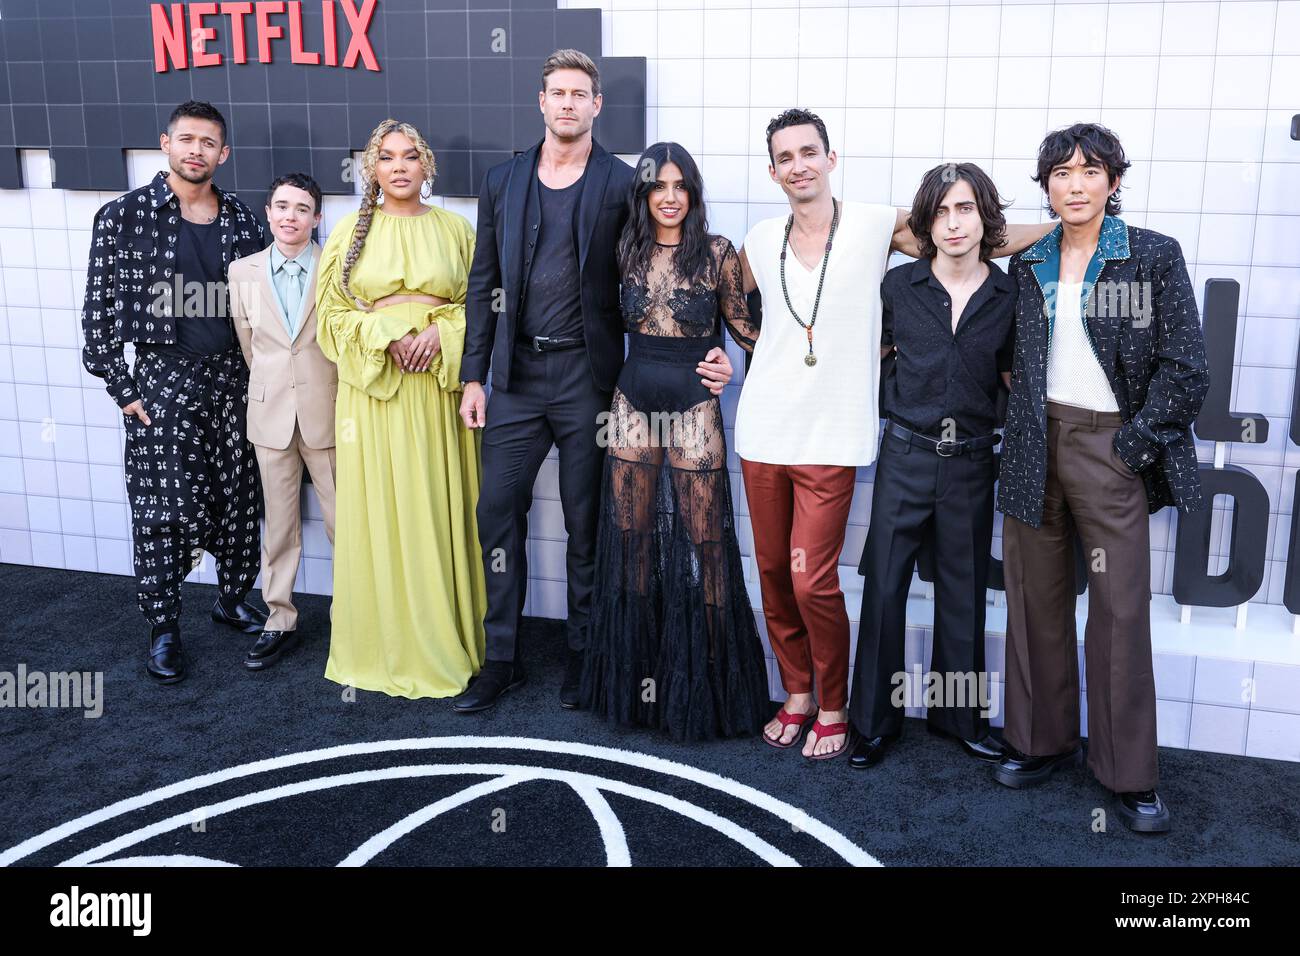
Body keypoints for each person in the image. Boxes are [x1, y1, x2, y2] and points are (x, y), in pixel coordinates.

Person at [737, 108, 1053, 759]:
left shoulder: (884, 229)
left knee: (912, 590)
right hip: (820, 438)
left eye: (809, 152)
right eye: (785, 157)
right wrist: (724, 355)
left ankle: (913, 715)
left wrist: (1075, 225)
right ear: (773, 171)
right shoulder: (771, 240)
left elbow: (968, 243)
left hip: (906, 450)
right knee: (816, 577)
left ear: (830, 158)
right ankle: (831, 707)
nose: (799, 164)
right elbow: (743, 303)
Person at [454, 50, 732, 714]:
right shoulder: (503, 180)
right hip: (516, 378)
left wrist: (713, 347)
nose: (570, 103)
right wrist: (473, 376)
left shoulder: (621, 181)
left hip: (590, 377)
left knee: (590, 523)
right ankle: (501, 658)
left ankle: (586, 654)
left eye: (582, 93)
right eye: (558, 92)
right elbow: (482, 284)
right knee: (495, 513)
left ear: (597, 105)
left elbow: (667, 265)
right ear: (541, 101)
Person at [993, 123, 1209, 833]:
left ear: (1114, 182)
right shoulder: (1031, 261)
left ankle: (1128, 776)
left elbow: (1186, 369)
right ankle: (1039, 741)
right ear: (1046, 185)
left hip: (1111, 446)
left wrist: (1133, 446)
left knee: (1118, 613)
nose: (1074, 183)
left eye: (1089, 171)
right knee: (1033, 602)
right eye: (1059, 172)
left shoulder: (1149, 255)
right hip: (1033, 443)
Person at [580, 143, 769, 741]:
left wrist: (739, 364)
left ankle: (714, 685)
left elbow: (751, 333)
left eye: (679, 185)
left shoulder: (718, 255)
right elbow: (596, 320)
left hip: (693, 403)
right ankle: (634, 682)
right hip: (631, 400)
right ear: (643, 194)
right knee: (631, 537)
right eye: (658, 185)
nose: (669, 195)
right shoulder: (625, 251)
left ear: (693, 192)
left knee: (705, 540)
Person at [81, 100, 268, 684]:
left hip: (234, 378)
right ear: (165, 143)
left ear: (223, 153)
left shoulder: (241, 219)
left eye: (208, 142)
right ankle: (164, 627)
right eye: (186, 139)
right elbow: (99, 313)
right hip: (163, 380)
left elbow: (266, 305)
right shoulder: (124, 216)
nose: (196, 150)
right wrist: (123, 386)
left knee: (238, 502)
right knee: (164, 510)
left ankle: (232, 597)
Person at [847, 163, 1015, 769]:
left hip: (972, 462)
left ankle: (958, 718)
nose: (953, 223)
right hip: (906, 454)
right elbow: (866, 351)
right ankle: (871, 722)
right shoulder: (898, 287)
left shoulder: (1008, 293)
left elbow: (1012, 376)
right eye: (941, 212)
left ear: (984, 217)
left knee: (965, 592)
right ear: (925, 222)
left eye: (965, 209)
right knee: (884, 587)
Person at [315, 119, 486, 699]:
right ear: (372, 168)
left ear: (426, 165)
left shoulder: (457, 230)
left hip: (438, 390)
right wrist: (388, 335)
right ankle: (382, 645)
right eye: (387, 157)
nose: (399, 166)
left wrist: (442, 333)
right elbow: (331, 318)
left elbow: (486, 306)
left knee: (435, 509)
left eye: (410, 156)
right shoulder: (346, 235)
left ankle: (445, 638)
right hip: (376, 393)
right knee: (381, 513)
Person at [230, 172, 335, 670]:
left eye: (301, 208)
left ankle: (355, 618)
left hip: (330, 415)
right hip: (270, 416)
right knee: (280, 526)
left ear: (317, 218)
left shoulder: (335, 266)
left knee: (345, 523)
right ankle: (279, 618)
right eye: (281, 206)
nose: (289, 216)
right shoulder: (242, 272)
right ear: (268, 213)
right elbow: (250, 344)